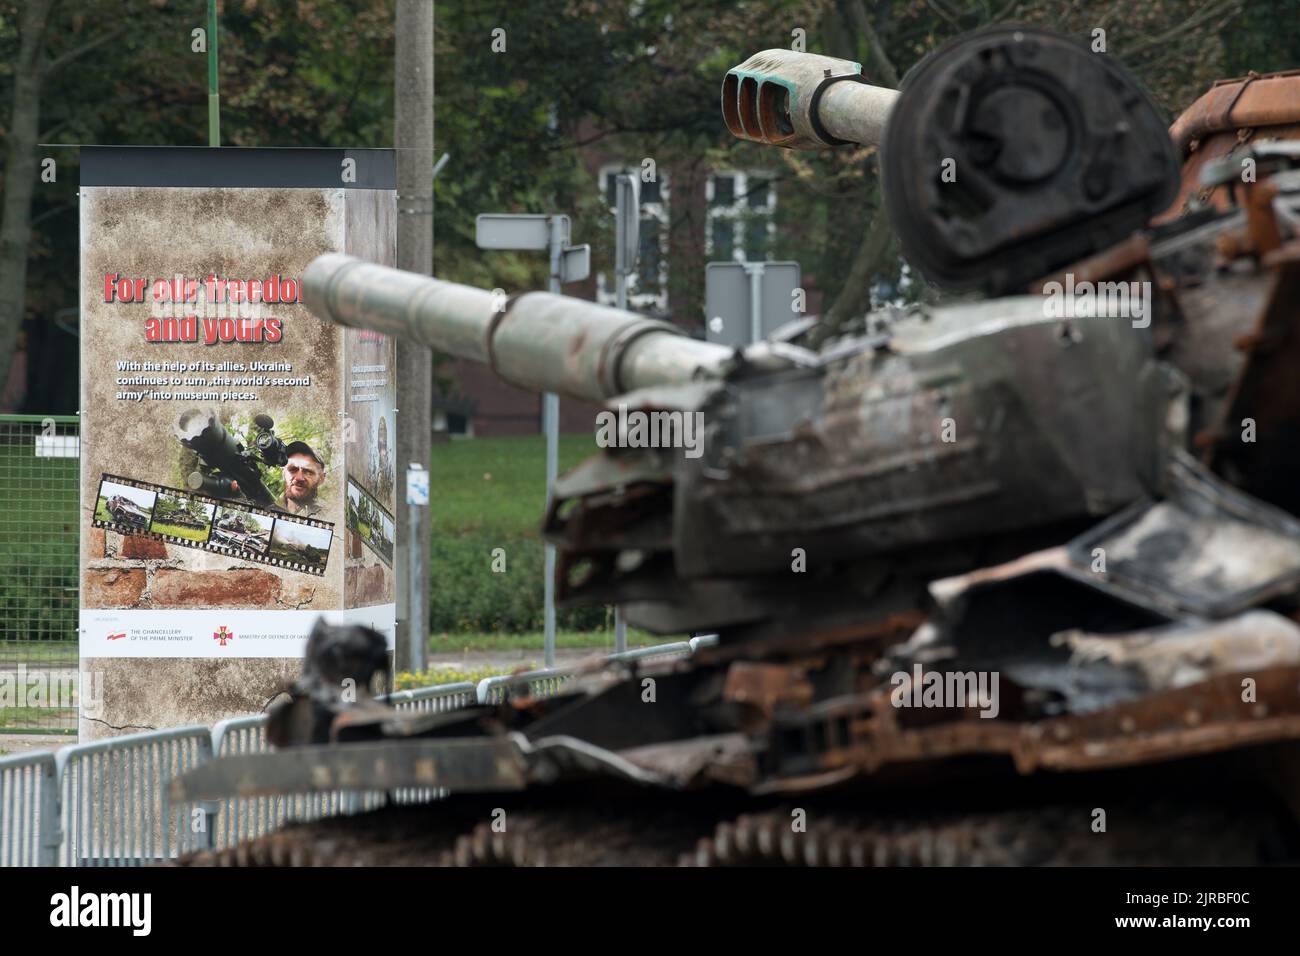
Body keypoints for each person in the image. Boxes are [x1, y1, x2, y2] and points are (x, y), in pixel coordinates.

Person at [281, 441, 326, 516]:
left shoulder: (328, 514)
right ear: (284, 473)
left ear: (321, 478)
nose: (299, 478)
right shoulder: (268, 506)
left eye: (308, 472)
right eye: (293, 469)